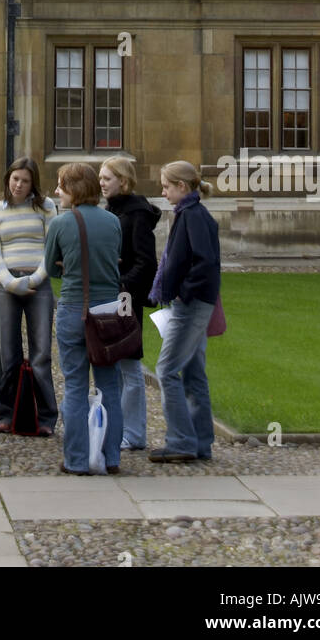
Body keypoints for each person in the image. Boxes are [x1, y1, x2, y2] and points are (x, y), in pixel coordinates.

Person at [44, 163, 123, 476]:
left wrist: (67, 265)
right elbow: (115, 258)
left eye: (61, 185)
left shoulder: (62, 224)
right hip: (108, 310)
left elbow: (50, 267)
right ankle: (111, 457)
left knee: (75, 385)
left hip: (74, 306)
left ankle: (76, 460)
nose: (56, 191)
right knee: (109, 385)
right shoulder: (113, 221)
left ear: (73, 189)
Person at [147, 160, 221, 463]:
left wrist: (182, 292)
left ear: (182, 186)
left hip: (190, 306)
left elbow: (204, 264)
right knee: (193, 372)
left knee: (166, 370)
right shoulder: (191, 213)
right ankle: (201, 443)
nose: (163, 192)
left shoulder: (192, 216)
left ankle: (181, 441)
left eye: (166, 186)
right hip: (196, 303)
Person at [0, 157, 58, 436]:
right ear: (7, 179)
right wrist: (11, 283)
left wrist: (35, 279)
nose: (18, 185)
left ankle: (46, 417)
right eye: (15, 179)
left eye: (25, 181)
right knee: (6, 353)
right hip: (7, 285)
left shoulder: (47, 207)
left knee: (41, 353)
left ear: (33, 184)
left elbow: (51, 250)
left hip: (40, 283)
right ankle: (6, 413)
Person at [99, 157, 159, 451]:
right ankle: (118, 429)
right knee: (115, 364)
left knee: (131, 367)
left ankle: (134, 434)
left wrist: (122, 284)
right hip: (112, 296)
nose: (101, 183)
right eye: (100, 178)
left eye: (107, 178)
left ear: (123, 181)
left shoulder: (137, 214)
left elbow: (147, 263)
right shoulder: (113, 210)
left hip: (126, 299)